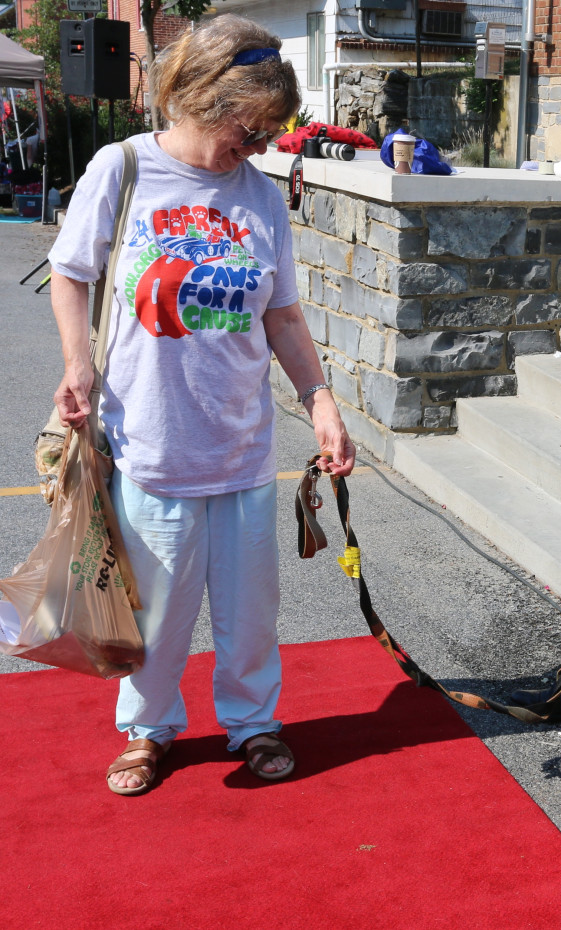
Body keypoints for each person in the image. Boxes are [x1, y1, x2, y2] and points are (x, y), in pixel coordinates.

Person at [48, 14, 355, 797]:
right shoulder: (120, 172)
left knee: (252, 615)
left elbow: (282, 313)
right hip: (151, 442)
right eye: (248, 131)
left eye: (267, 135)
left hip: (243, 447)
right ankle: (149, 731)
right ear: (199, 98)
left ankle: (252, 723)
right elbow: (70, 271)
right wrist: (78, 364)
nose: (255, 149)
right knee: (156, 614)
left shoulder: (260, 197)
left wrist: (319, 400)